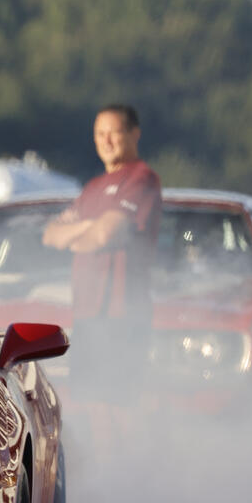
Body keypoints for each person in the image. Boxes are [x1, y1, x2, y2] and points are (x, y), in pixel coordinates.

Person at [42, 103, 161, 400]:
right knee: (87, 404)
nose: (106, 141)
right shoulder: (93, 187)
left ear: (134, 134)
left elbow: (106, 234)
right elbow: (51, 235)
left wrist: (83, 234)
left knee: (120, 407)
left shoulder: (141, 178)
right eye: (100, 134)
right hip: (86, 315)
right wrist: (90, 226)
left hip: (123, 316)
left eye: (114, 133)